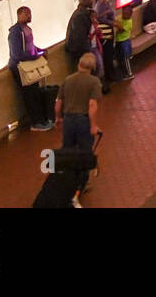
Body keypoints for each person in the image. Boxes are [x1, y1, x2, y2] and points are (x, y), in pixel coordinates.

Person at [54, 53, 102, 202]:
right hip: (83, 121)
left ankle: (65, 180)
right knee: (84, 152)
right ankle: (81, 184)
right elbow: (92, 105)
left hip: (68, 120)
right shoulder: (94, 82)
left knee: (67, 150)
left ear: (78, 65)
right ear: (93, 68)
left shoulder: (67, 80)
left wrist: (58, 118)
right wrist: (93, 125)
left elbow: (58, 102)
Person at [8, 7, 54, 131]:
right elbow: (17, 54)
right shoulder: (15, 33)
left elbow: (30, 45)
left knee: (34, 92)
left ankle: (40, 119)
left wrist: (39, 51)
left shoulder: (27, 29)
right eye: (27, 14)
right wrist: (35, 56)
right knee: (29, 94)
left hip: (28, 65)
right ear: (20, 15)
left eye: (30, 14)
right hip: (20, 67)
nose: (30, 16)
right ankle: (36, 122)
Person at [93, 0, 119, 86]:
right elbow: (100, 18)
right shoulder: (100, 5)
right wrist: (112, 23)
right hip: (105, 34)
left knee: (110, 52)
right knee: (107, 54)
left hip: (109, 31)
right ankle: (109, 75)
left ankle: (112, 73)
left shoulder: (106, 3)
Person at [64, 0, 95, 74]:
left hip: (77, 48)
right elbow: (80, 36)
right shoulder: (80, 16)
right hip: (77, 50)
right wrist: (87, 49)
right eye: (90, 0)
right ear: (86, 2)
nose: (92, 2)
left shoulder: (81, 13)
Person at [115, 6, 134, 79]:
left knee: (126, 58)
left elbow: (121, 29)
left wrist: (116, 23)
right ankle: (122, 72)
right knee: (119, 57)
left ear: (130, 15)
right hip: (118, 41)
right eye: (123, 14)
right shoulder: (121, 19)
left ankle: (129, 73)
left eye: (127, 15)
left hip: (125, 41)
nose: (124, 16)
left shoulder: (129, 22)